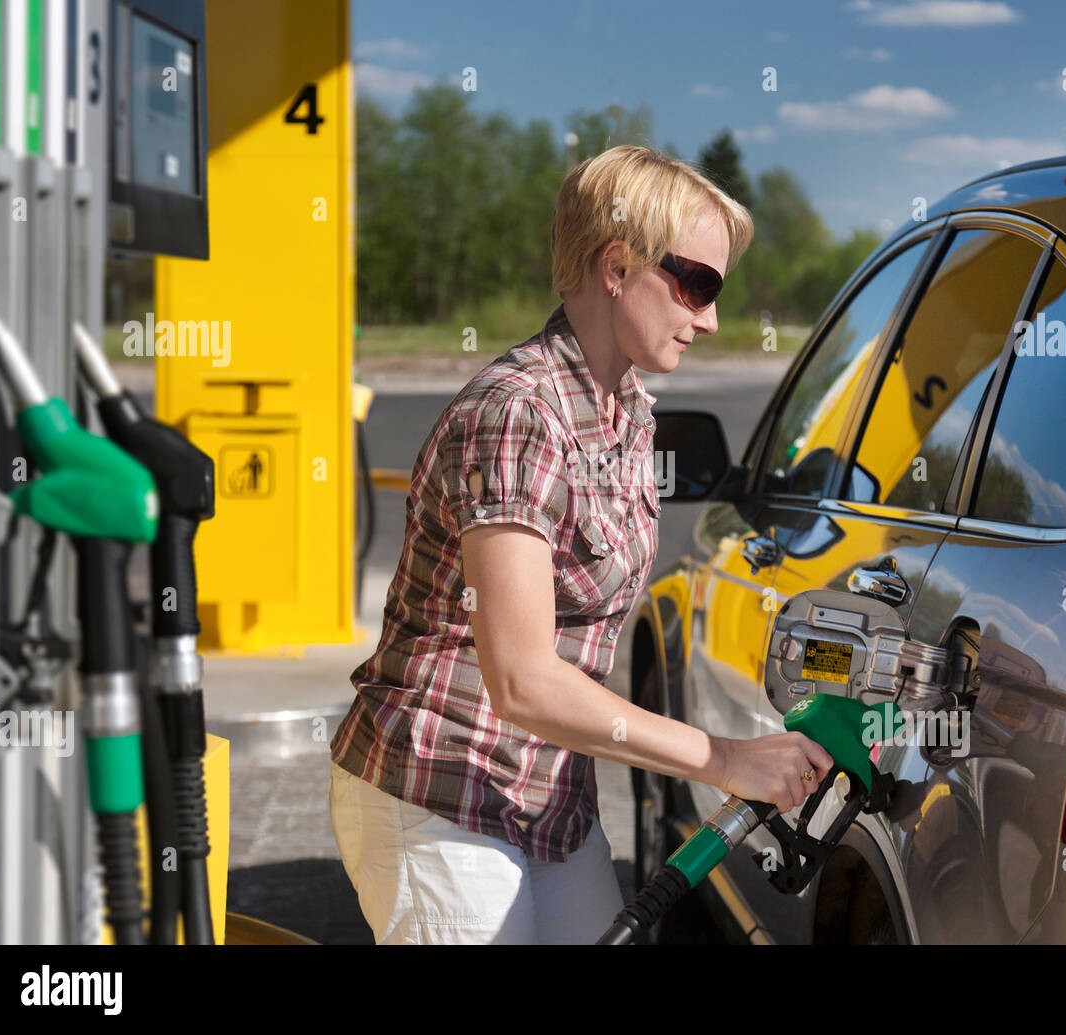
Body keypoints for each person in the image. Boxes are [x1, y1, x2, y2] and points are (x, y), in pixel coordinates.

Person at [328, 144, 833, 945]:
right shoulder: (518, 412)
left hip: (550, 799)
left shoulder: (629, 409)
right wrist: (728, 760)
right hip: (442, 788)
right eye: (697, 283)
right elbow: (525, 680)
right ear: (616, 265)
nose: (709, 317)